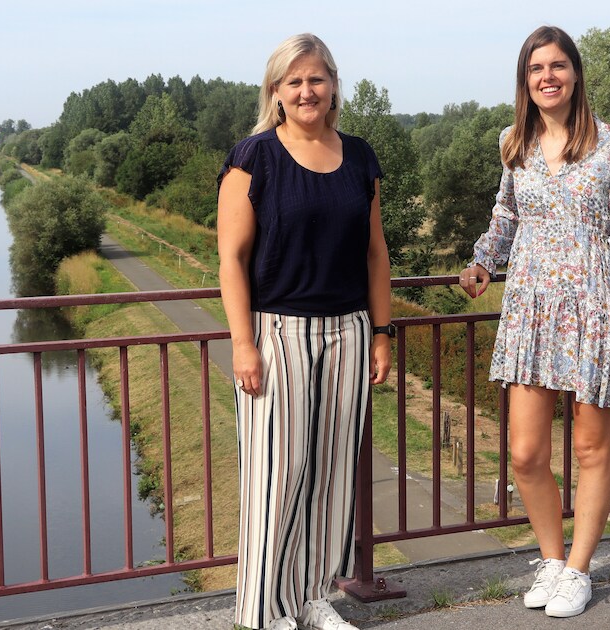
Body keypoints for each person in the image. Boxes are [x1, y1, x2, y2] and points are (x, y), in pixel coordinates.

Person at [458, 25, 610, 619]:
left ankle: (578, 569)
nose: (548, 76)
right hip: (531, 311)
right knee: (525, 452)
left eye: (558, 66)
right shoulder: (512, 141)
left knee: (591, 448)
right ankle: (550, 557)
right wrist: (483, 261)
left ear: (575, 75)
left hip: (595, 309)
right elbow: (506, 215)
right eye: (537, 68)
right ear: (526, 79)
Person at [217, 33, 393, 630]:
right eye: (293, 81)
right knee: (279, 477)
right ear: (276, 93)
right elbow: (231, 260)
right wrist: (243, 343)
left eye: (316, 79)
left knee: (331, 471)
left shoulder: (360, 156)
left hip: (348, 332)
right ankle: (263, 612)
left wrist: (382, 331)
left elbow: (375, 254)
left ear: (333, 85)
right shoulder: (254, 157)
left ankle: (313, 596)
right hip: (278, 334)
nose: (306, 90)